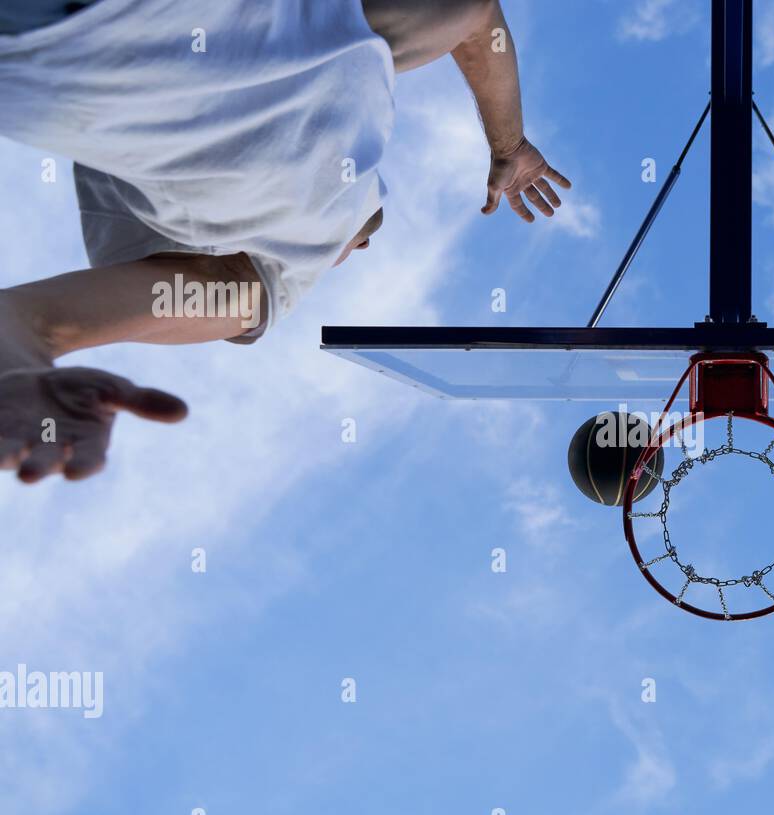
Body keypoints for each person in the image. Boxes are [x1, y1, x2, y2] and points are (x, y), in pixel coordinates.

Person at [0, 0, 570, 483]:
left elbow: (38, 320)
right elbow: (473, 15)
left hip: (56, 34)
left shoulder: (263, 275)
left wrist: (14, 369)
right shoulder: (355, 53)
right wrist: (509, 146)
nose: (359, 251)